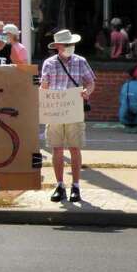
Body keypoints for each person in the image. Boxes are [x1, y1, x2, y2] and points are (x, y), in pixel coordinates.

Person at [40, 29, 96, 203]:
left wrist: (88, 92)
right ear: (57, 46)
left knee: (74, 148)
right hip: (56, 110)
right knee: (56, 148)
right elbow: (44, 86)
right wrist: (43, 95)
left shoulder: (81, 61)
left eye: (71, 44)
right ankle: (59, 185)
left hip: (73, 108)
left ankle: (76, 186)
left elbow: (91, 81)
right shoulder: (49, 63)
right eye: (67, 44)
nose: (70, 47)